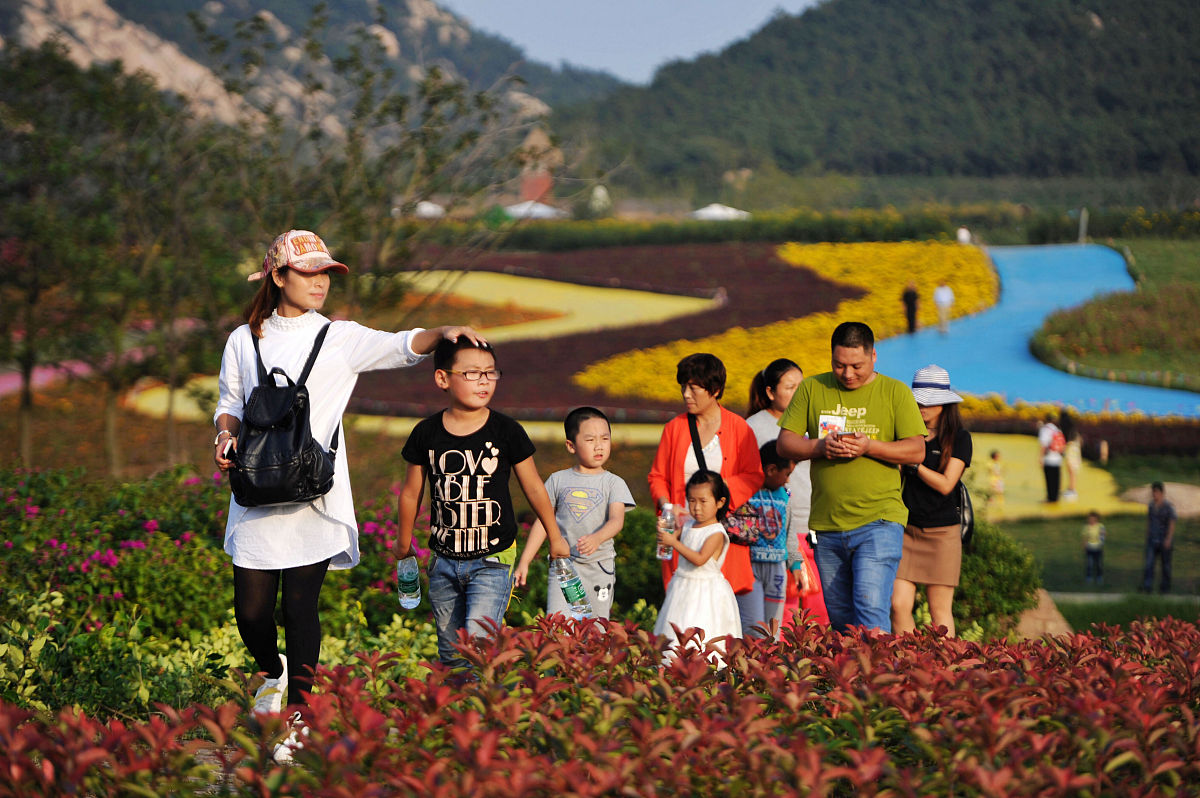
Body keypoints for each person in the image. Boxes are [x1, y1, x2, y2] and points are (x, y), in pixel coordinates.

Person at [213, 229, 485, 763]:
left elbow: (400, 344)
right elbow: (230, 401)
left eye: (325, 274)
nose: (320, 283)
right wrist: (224, 435)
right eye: (309, 273)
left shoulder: (339, 336)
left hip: (315, 497)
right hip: (256, 490)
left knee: (300, 609)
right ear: (278, 276)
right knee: (251, 613)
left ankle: (299, 719)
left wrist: (445, 331)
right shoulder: (243, 340)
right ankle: (273, 670)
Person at [397, 337, 571, 671]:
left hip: (492, 559)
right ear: (443, 379)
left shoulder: (507, 431)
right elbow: (410, 492)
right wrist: (403, 542)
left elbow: (534, 487)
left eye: (491, 373)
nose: (484, 381)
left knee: (477, 644)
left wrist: (555, 535)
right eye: (473, 373)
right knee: (450, 651)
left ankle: (481, 717)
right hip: (443, 562)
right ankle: (458, 716)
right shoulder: (426, 433)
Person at [777, 321, 925, 633]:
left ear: (874, 356)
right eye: (839, 365)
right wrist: (820, 446)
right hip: (828, 526)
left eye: (856, 365)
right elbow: (785, 443)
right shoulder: (813, 388)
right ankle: (850, 680)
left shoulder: (895, 392)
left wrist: (869, 446)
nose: (847, 374)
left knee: (870, 609)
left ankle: (878, 680)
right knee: (842, 621)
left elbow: (916, 451)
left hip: (879, 521)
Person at [649, 353, 764, 634]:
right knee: (682, 608)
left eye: (693, 388)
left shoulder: (739, 428)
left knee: (717, 609)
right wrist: (668, 507)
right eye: (683, 387)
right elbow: (657, 477)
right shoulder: (675, 428)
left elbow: (754, 476)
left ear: (714, 390)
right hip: (682, 530)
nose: (686, 394)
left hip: (717, 530)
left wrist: (718, 496)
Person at [515, 407, 635, 619]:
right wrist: (525, 560)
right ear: (571, 446)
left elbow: (617, 520)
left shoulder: (614, 483)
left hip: (599, 568)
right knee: (559, 626)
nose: (599, 446)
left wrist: (597, 538)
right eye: (590, 440)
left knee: (596, 629)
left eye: (605, 438)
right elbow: (543, 522)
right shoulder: (557, 480)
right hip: (564, 569)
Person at [745, 358, 827, 628]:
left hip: (817, 525)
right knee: (785, 609)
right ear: (770, 392)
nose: (798, 393)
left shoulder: (814, 421)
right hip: (777, 531)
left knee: (820, 610)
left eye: (801, 387)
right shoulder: (753, 427)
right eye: (790, 387)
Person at [891, 365, 972, 637]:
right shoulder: (906, 433)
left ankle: (944, 673)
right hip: (906, 530)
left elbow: (947, 484)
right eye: (918, 401)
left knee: (940, 614)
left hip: (942, 534)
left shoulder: (959, 438)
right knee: (897, 605)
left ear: (945, 404)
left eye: (929, 402)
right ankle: (910, 663)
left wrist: (915, 465)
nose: (922, 407)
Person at [654, 470, 742, 663]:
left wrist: (674, 542)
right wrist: (664, 531)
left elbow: (700, 559)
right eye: (691, 501)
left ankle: (702, 666)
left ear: (719, 502)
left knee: (702, 624)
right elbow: (668, 539)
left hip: (706, 590)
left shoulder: (716, 532)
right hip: (683, 586)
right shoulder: (688, 525)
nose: (696, 507)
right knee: (679, 624)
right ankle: (675, 665)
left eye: (703, 501)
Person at [744, 443, 795, 638]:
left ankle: (771, 665)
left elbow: (790, 530)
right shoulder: (747, 492)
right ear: (771, 469)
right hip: (751, 568)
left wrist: (795, 564)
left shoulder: (785, 496)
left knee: (773, 626)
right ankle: (748, 664)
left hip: (777, 570)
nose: (787, 480)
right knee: (752, 624)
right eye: (786, 473)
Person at [1141, 482, 1176, 594]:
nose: (1154, 495)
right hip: (1152, 539)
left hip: (1164, 539)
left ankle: (1165, 588)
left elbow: (1172, 523)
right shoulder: (1151, 506)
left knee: (1165, 565)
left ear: (1161, 493)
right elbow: (1149, 521)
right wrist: (1147, 534)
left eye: (1156, 492)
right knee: (1149, 563)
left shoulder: (1168, 507)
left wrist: (1169, 539)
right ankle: (1147, 586)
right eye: (1153, 492)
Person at [1038, 416, 1066, 503]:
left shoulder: (1045, 430)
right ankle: (1056, 497)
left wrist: (1041, 458)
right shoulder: (1057, 430)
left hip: (1048, 459)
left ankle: (1050, 498)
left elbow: (1044, 445)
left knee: (1049, 480)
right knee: (1056, 479)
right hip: (1057, 459)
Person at [1061, 409, 1082, 501]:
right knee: (1072, 471)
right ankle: (1070, 488)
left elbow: (1068, 441)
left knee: (1071, 471)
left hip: (1071, 451)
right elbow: (1080, 440)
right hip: (1075, 450)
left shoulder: (1066, 428)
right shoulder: (1073, 428)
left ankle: (1072, 490)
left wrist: (1063, 450)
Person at [1082, 510, 1106, 585]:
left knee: (1099, 563)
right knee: (1090, 563)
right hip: (1090, 547)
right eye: (1089, 519)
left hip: (1098, 547)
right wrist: (1084, 545)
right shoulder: (1086, 527)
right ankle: (1089, 577)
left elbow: (1103, 535)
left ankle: (1099, 576)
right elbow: (1085, 537)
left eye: (1093, 519)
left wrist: (1101, 542)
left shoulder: (1100, 526)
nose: (1091, 520)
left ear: (1096, 519)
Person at [986, 449, 1005, 517]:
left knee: (1000, 494)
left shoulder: (999, 463)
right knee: (992, 493)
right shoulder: (990, 463)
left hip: (999, 480)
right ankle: (991, 506)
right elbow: (991, 471)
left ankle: (1000, 506)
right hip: (993, 480)